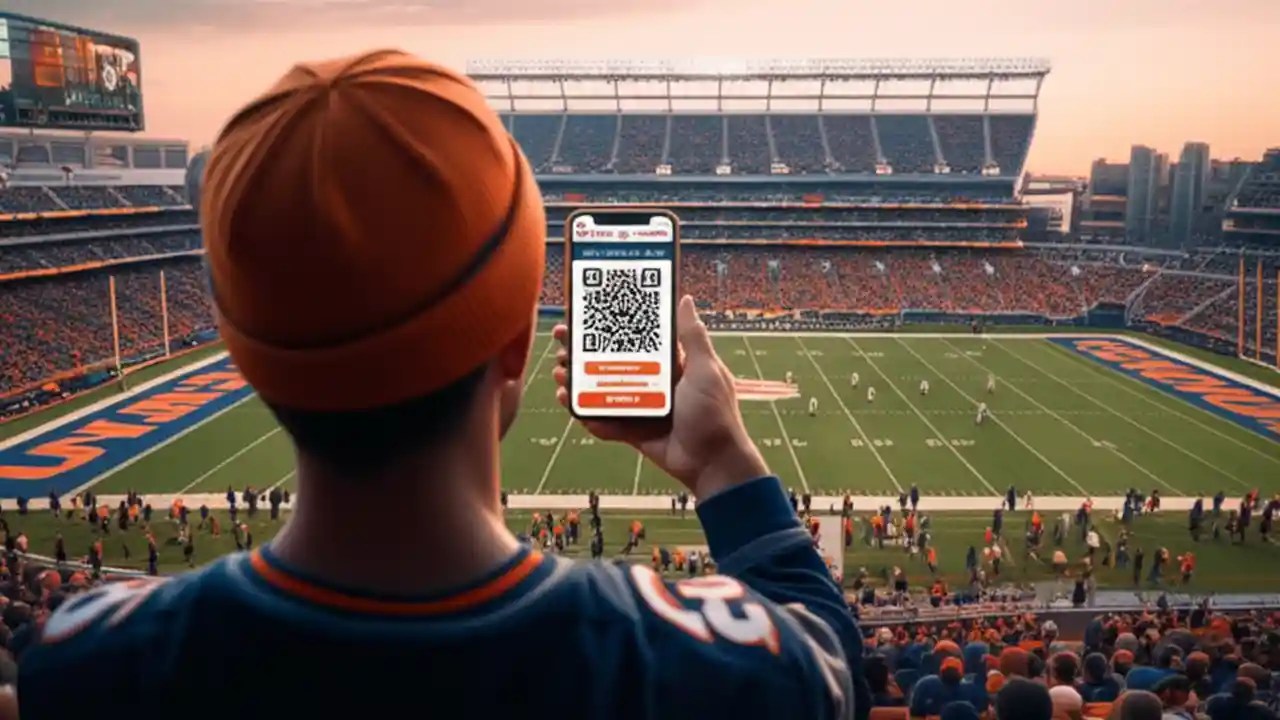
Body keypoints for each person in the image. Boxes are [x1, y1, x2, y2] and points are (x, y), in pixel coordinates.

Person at [18, 50, 862, 720]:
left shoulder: (91, 664)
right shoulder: (687, 670)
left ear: (245, 357)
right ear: (515, 342)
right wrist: (723, 465)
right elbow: (832, 664)